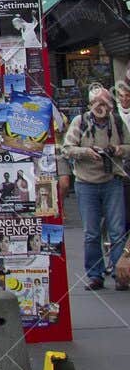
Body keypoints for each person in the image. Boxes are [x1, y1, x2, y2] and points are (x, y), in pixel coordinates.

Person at [61, 86, 128, 291]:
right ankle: (95, 275)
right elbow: (66, 149)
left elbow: (129, 146)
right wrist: (87, 152)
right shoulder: (79, 122)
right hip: (86, 184)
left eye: (106, 104)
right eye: (98, 104)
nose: (103, 108)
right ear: (91, 105)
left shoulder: (117, 122)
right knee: (91, 233)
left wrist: (117, 150)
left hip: (112, 181)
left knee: (117, 231)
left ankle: (120, 274)